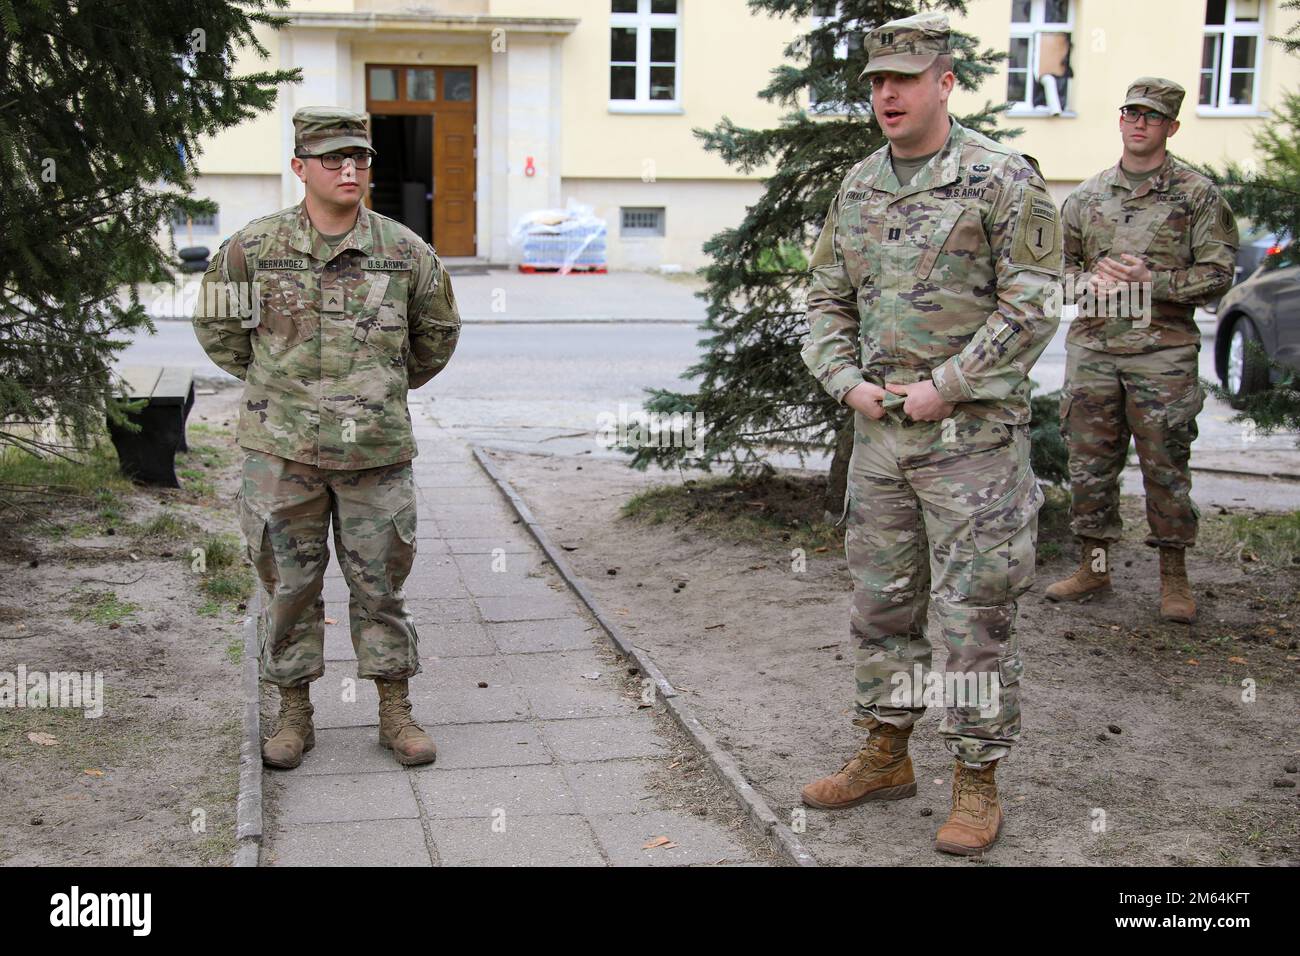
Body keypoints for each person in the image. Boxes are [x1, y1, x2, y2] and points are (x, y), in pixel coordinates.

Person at [799, 13, 1061, 855]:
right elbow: (826, 299)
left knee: (974, 616)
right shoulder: (861, 184)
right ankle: (885, 751)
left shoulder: (1002, 179)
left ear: (946, 81)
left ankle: (977, 780)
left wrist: (945, 389)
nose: (887, 94)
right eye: (877, 80)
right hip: (881, 441)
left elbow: (1033, 305)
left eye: (905, 79)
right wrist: (848, 382)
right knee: (882, 607)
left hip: (973, 447)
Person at [193, 106, 462, 769]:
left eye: (361, 158)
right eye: (334, 159)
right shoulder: (252, 250)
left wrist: (378, 391)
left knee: (380, 590)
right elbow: (219, 331)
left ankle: (395, 713)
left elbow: (437, 338)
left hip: (376, 453)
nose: (350, 169)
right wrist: (281, 389)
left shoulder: (404, 252)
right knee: (288, 587)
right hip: (282, 454)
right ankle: (294, 714)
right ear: (299, 168)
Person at [1046, 78, 1238, 624]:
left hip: (1163, 353)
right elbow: (1052, 276)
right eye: (1130, 112)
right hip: (1094, 351)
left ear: (1171, 127)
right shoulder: (1085, 197)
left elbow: (1218, 276)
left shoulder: (1197, 196)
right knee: (1089, 466)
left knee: (1166, 465)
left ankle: (1173, 577)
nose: (1138, 122)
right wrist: (1088, 285)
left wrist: (1150, 280)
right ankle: (1095, 567)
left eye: (1151, 116)